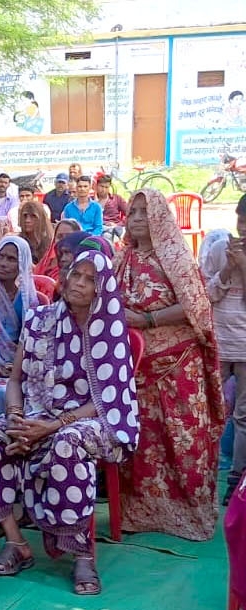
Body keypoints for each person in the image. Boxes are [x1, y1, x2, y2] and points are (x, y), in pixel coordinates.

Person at [0, 244, 139, 594]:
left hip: (100, 420)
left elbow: (106, 399)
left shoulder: (110, 331)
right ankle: (16, 543)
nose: (77, 283)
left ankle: (82, 556)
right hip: (37, 414)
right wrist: (18, 418)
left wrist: (51, 426)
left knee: (68, 442)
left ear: (102, 288)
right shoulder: (40, 320)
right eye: (74, 274)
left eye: (89, 279)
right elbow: (16, 380)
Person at [116, 189, 225, 540]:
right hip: (138, 367)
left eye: (144, 213)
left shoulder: (175, 256)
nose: (135, 219)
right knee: (146, 442)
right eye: (132, 212)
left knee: (184, 440)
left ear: (160, 217)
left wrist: (147, 319)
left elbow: (194, 305)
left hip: (179, 364)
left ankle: (191, 516)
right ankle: (142, 513)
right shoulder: (124, 259)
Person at [202, 213, 246, 502]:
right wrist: (228, 270)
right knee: (208, 412)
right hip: (219, 343)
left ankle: (235, 480)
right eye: (242, 222)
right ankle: (201, 477)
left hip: (244, 348)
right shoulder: (219, 249)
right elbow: (207, 294)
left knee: (243, 416)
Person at [0, 236, 40, 419]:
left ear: (22, 264)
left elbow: (34, 343)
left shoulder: (29, 300)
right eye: (0, 257)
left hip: (20, 368)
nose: (3, 263)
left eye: (11, 259)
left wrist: (16, 368)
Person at [17, 199, 53, 265]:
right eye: (25, 216)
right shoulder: (18, 242)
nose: (27, 220)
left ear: (41, 219)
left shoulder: (50, 243)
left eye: (33, 216)